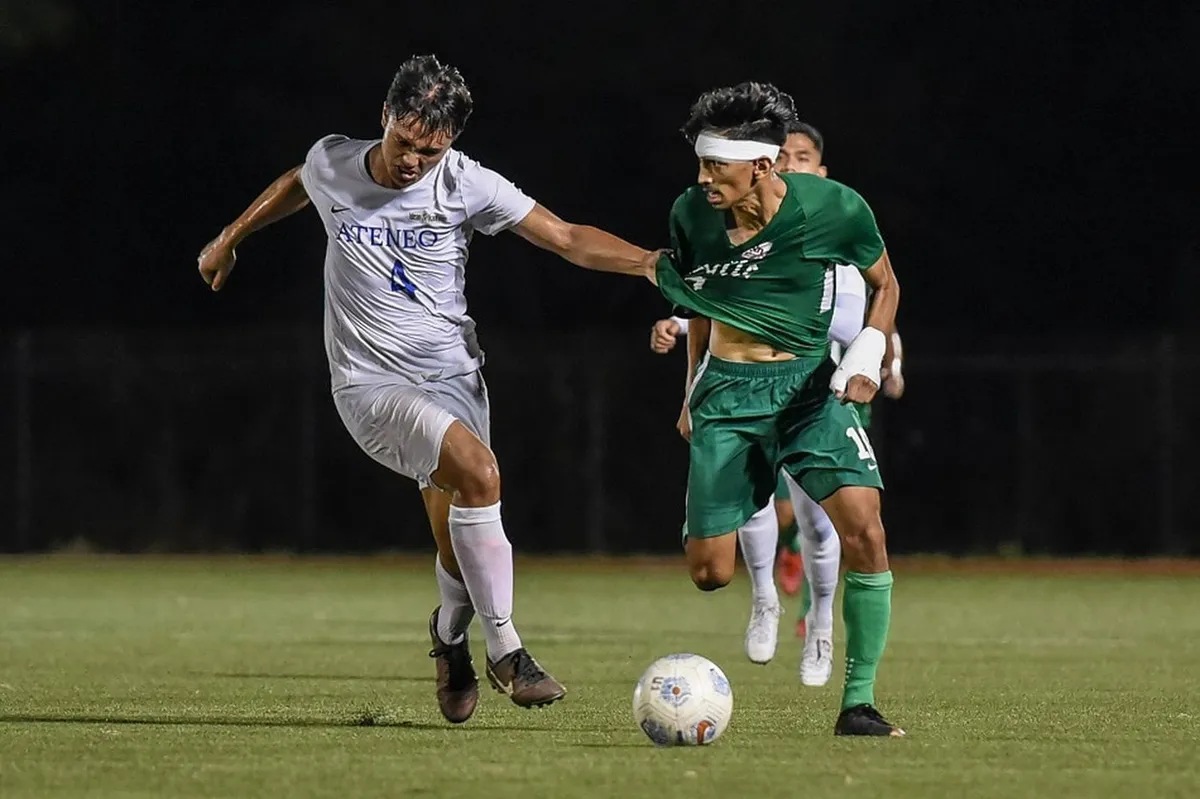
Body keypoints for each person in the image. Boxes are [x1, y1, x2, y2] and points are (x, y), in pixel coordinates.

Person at [196, 55, 657, 725]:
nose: (414, 160)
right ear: (384, 117)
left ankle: (448, 637)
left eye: (431, 149)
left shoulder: (466, 184)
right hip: (370, 384)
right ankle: (508, 652)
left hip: (454, 377)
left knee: (459, 543)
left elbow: (563, 236)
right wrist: (228, 238)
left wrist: (646, 262)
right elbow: (300, 181)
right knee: (481, 472)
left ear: (452, 143)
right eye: (405, 141)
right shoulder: (334, 162)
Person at [653, 82, 904, 736]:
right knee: (710, 572)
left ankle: (858, 700)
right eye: (701, 165)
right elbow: (704, 309)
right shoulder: (692, 214)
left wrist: (871, 353)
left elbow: (887, 284)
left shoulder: (835, 209)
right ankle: (760, 591)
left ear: (762, 165)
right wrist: (690, 389)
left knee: (864, 529)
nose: (703, 179)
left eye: (717, 166)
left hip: (806, 388)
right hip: (730, 395)